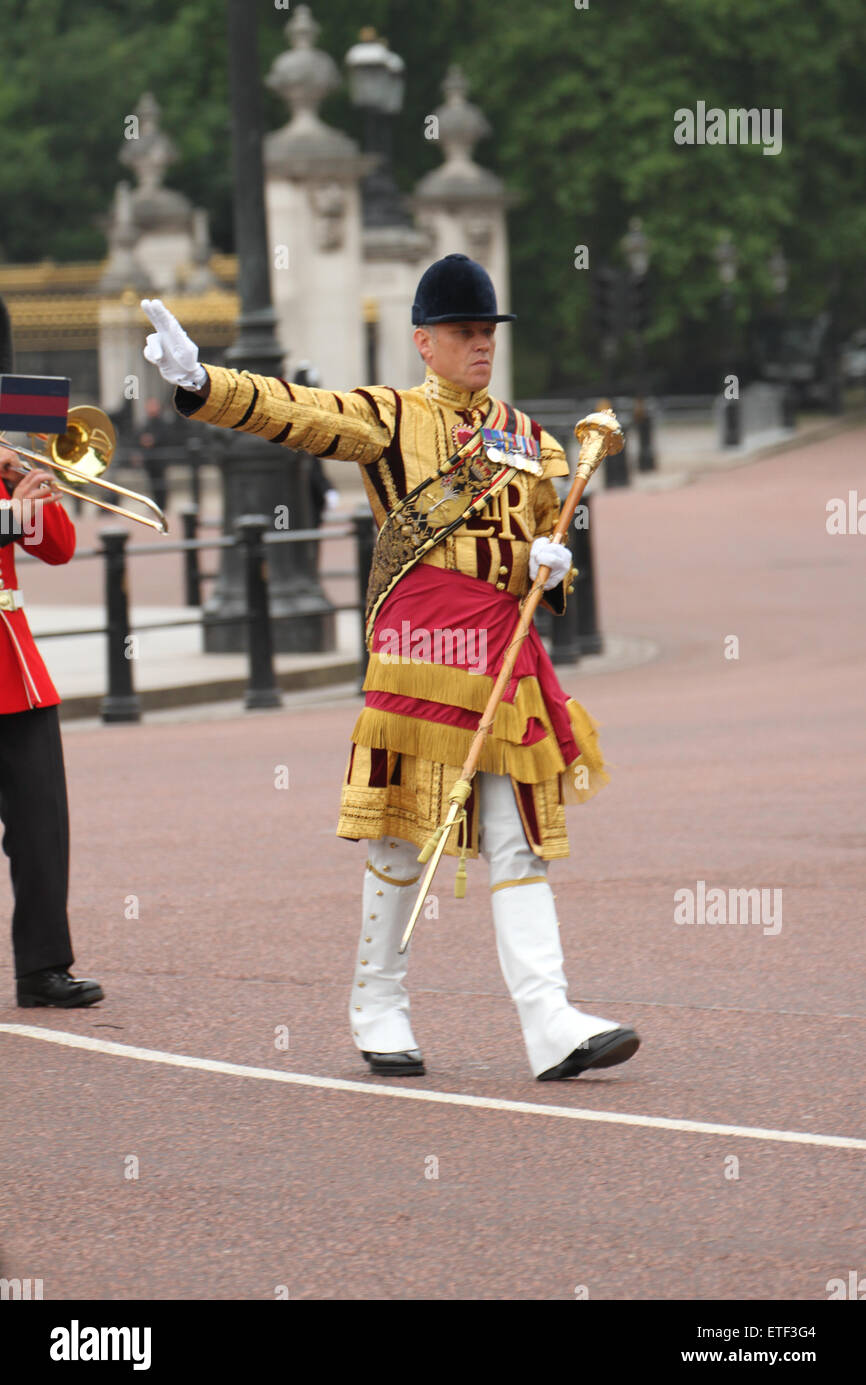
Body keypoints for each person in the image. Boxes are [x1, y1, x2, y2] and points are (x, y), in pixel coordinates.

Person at [140, 253, 640, 1081]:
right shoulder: (391, 418)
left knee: (518, 843)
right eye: (462, 333)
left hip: (504, 654)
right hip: (420, 653)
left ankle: (550, 1021)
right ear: (424, 342)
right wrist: (199, 382)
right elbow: (296, 411)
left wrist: (555, 568)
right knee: (406, 834)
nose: (479, 346)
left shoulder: (536, 441)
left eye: (486, 333)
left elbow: (550, 548)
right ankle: (376, 1002)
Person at [0, 446, 104, 1007]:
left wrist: (28, 482)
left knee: (42, 830)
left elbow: (58, 549)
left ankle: (42, 968)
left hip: (15, 673)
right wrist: (11, 514)